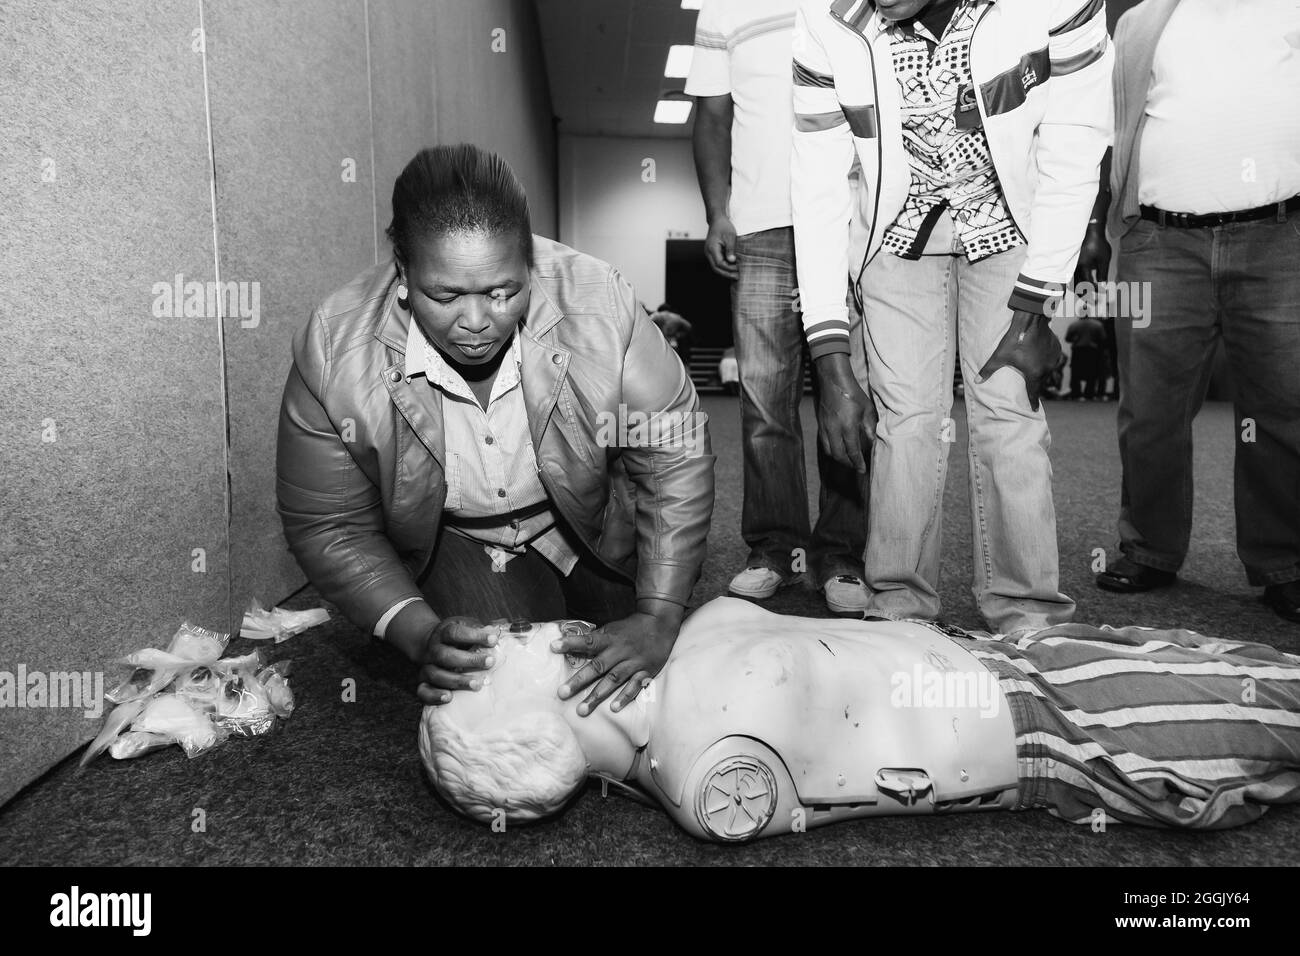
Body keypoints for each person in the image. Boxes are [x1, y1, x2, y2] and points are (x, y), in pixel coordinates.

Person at [276, 144, 716, 717]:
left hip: (588, 526)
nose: (478, 321)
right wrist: (417, 633)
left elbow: (672, 453)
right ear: (404, 274)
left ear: (529, 262)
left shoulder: (599, 302)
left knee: (659, 681)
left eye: (503, 291)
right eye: (447, 295)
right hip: (459, 543)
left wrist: (657, 615)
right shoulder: (336, 349)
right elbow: (331, 524)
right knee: (505, 697)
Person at [420, 596, 1300, 841]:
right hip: (1060, 725)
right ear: (549, 713)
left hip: (1013, 657)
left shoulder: (669, 706)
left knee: (1255, 671)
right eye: (513, 645)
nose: (516, 624)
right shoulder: (709, 765)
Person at [790, 0, 1114, 633]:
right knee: (907, 421)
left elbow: (1076, 144)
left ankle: (1027, 612)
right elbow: (819, 191)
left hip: (1010, 222)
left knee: (1009, 413)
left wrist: (1034, 304)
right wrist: (830, 362)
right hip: (895, 235)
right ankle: (901, 610)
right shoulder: (824, 17)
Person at [1092, 0, 1300, 628]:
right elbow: (1110, 131)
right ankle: (1149, 548)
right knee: (1150, 411)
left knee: (1281, 411)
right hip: (1160, 241)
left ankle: (1284, 564)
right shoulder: (1140, 21)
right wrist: (1099, 233)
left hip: (1279, 240)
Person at [688, 0, 871, 616]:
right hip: (762, 227)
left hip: (850, 224)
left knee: (848, 393)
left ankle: (843, 552)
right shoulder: (720, 11)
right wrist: (719, 211)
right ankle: (776, 550)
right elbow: (711, 118)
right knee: (766, 401)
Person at [1065, 314, 1107, 400]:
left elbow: (1068, 338)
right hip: (1092, 351)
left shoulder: (1074, 325)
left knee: (1075, 373)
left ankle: (1076, 394)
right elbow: (1103, 338)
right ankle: (1089, 394)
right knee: (1091, 373)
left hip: (1078, 350)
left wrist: (1076, 339)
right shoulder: (1097, 324)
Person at [649, 303, 694, 370]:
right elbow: (689, 326)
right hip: (673, 340)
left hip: (661, 341)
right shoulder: (676, 317)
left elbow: (647, 322)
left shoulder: (657, 315)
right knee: (674, 361)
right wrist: (679, 335)